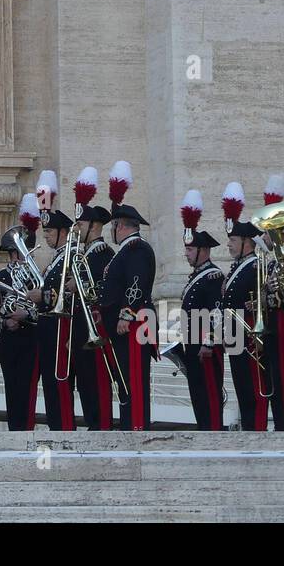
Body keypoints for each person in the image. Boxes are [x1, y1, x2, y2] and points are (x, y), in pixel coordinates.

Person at [100, 160, 156, 431]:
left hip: (133, 325)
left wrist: (126, 313)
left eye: (114, 225)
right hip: (124, 326)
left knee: (133, 376)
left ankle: (136, 426)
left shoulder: (136, 248)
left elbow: (136, 284)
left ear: (121, 226)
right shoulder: (127, 249)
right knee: (125, 378)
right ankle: (128, 423)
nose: (112, 230)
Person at [0, 207, 41, 431]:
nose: (28, 257)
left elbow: (46, 308)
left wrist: (26, 314)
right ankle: (14, 430)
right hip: (8, 340)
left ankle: (26, 430)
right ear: (14, 254)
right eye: (23, 252)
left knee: (28, 390)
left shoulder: (37, 278)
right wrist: (4, 321)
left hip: (31, 339)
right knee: (12, 389)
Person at [30, 169, 76, 431]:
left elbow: (71, 292)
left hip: (61, 327)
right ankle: (56, 425)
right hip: (48, 327)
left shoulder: (70, 256)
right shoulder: (55, 259)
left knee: (59, 381)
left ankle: (64, 427)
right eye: (44, 231)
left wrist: (43, 296)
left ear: (62, 232)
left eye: (49, 232)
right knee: (49, 381)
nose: (45, 236)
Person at [218, 182, 267, 431]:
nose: (229, 244)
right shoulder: (238, 267)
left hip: (249, 334)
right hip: (235, 333)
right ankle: (249, 427)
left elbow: (261, 297)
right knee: (242, 387)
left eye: (233, 239)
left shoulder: (255, 265)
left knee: (253, 386)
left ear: (248, 241)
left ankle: (256, 428)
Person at [71, 167, 116, 430]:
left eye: (80, 224)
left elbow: (103, 288)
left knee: (97, 378)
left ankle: (101, 423)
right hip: (80, 325)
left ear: (94, 226)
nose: (77, 229)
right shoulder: (84, 254)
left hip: (96, 324)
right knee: (85, 380)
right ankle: (92, 421)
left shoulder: (103, 254)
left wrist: (77, 285)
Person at [257, 174, 284, 431]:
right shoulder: (271, 262)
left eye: (266, 232)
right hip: (273, 326)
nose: (262, 237)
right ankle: (282, 423)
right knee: (275, 379)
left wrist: (269, 296)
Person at [178, 189, 224, 430]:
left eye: (189, 250)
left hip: (205, 347)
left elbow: (217, 312)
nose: (186, 254)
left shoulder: (213, 276)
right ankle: (205, 428)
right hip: (192, 345)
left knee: (209, 393)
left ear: (203, 250)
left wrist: (209, 342)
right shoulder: (196, 277)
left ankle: (213, 430)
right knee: (197, 393)